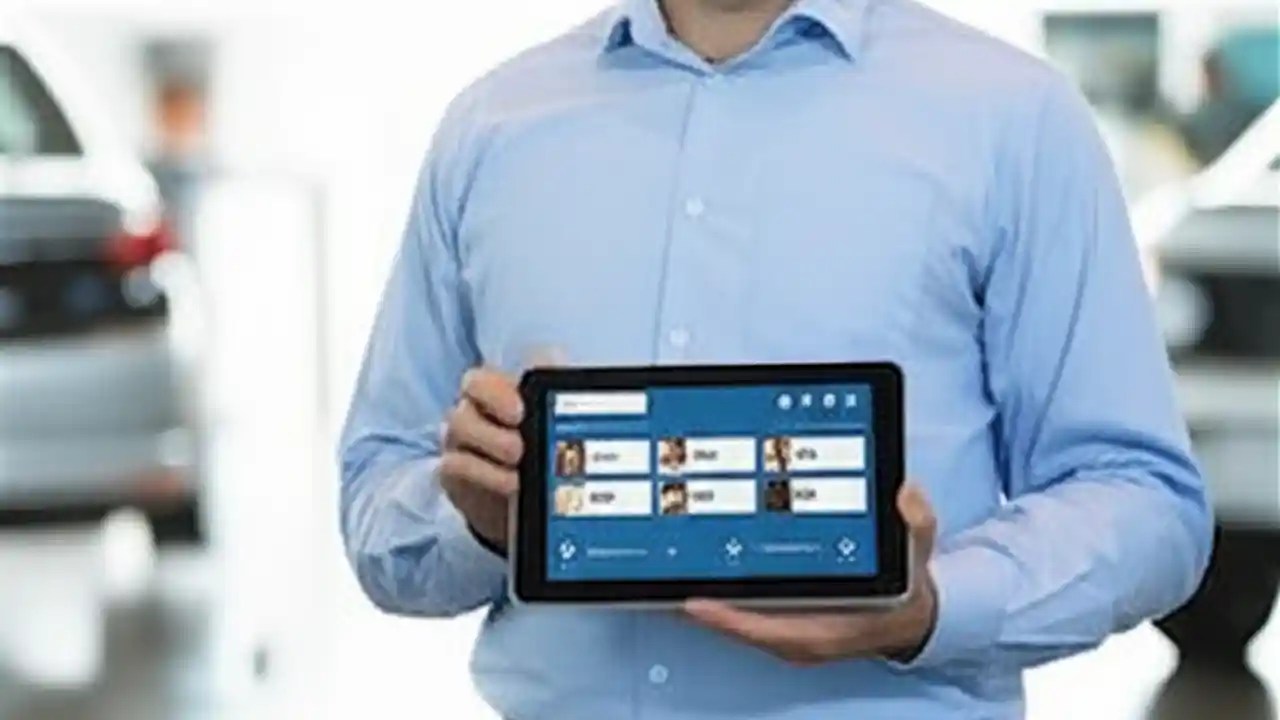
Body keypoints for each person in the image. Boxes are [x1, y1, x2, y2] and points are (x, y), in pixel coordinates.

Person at [338, 1, 1213, 717]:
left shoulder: (1014, 120)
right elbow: (380, 501)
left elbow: (1147, 502)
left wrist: (935, 607)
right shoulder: (492, 129)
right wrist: (482, 523)